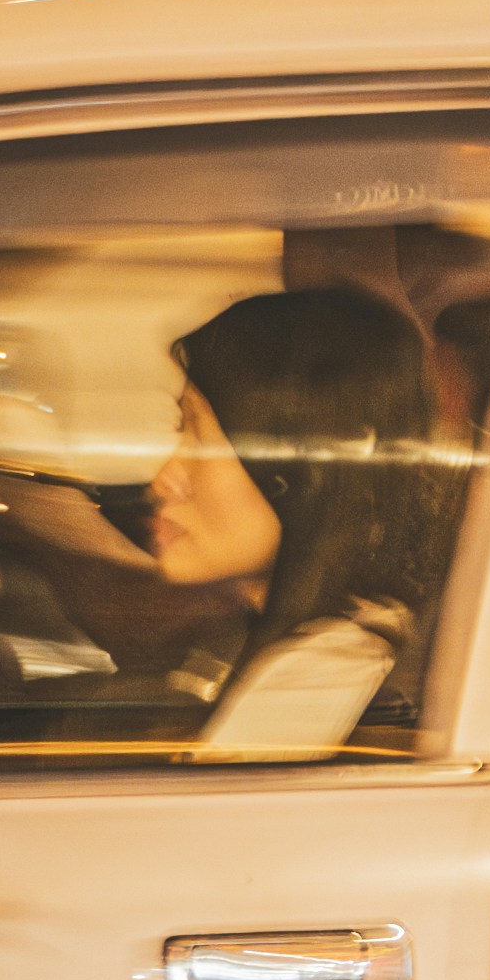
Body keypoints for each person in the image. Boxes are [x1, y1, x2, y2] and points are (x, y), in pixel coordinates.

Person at [148, 285, 453, 759]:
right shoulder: (261, 643)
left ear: (298, 472)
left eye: (198, 438)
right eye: (178, 429)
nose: (164, 480)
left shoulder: (323, 674)